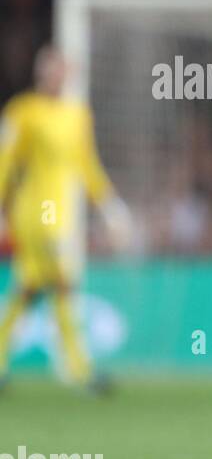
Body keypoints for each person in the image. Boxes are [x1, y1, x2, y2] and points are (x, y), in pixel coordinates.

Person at [0, 45, 132, 391]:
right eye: (51, 69)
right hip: (35, 211)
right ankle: (78, 369)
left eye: (62, 70)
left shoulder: (77, 116)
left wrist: (109, 205)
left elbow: (86, 165)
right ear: (40, 73)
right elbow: (5, 163)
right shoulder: (22, 111)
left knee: (28, 288)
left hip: (62, 214)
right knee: (62, 283)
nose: (57, 76)